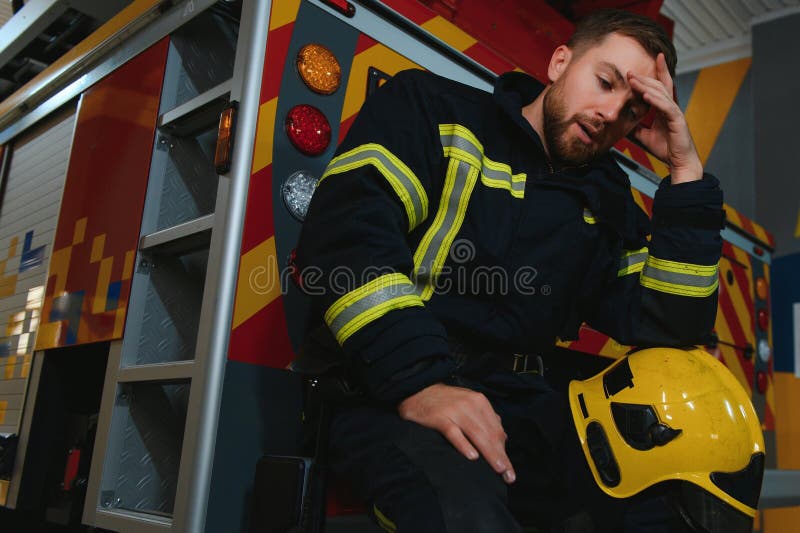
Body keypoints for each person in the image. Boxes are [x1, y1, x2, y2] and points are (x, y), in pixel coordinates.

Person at [294, 8, 728, 532]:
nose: (611, 112)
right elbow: (349, 239)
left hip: (528, 406)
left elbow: (671, 325)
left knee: (667, 507)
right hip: (389, 391)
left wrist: (685, 174)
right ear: (560, 61)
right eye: (605, 82)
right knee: (470, 518)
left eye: (633, 110)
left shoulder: (607, 196)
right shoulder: (432, 109)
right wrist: (422, 383)